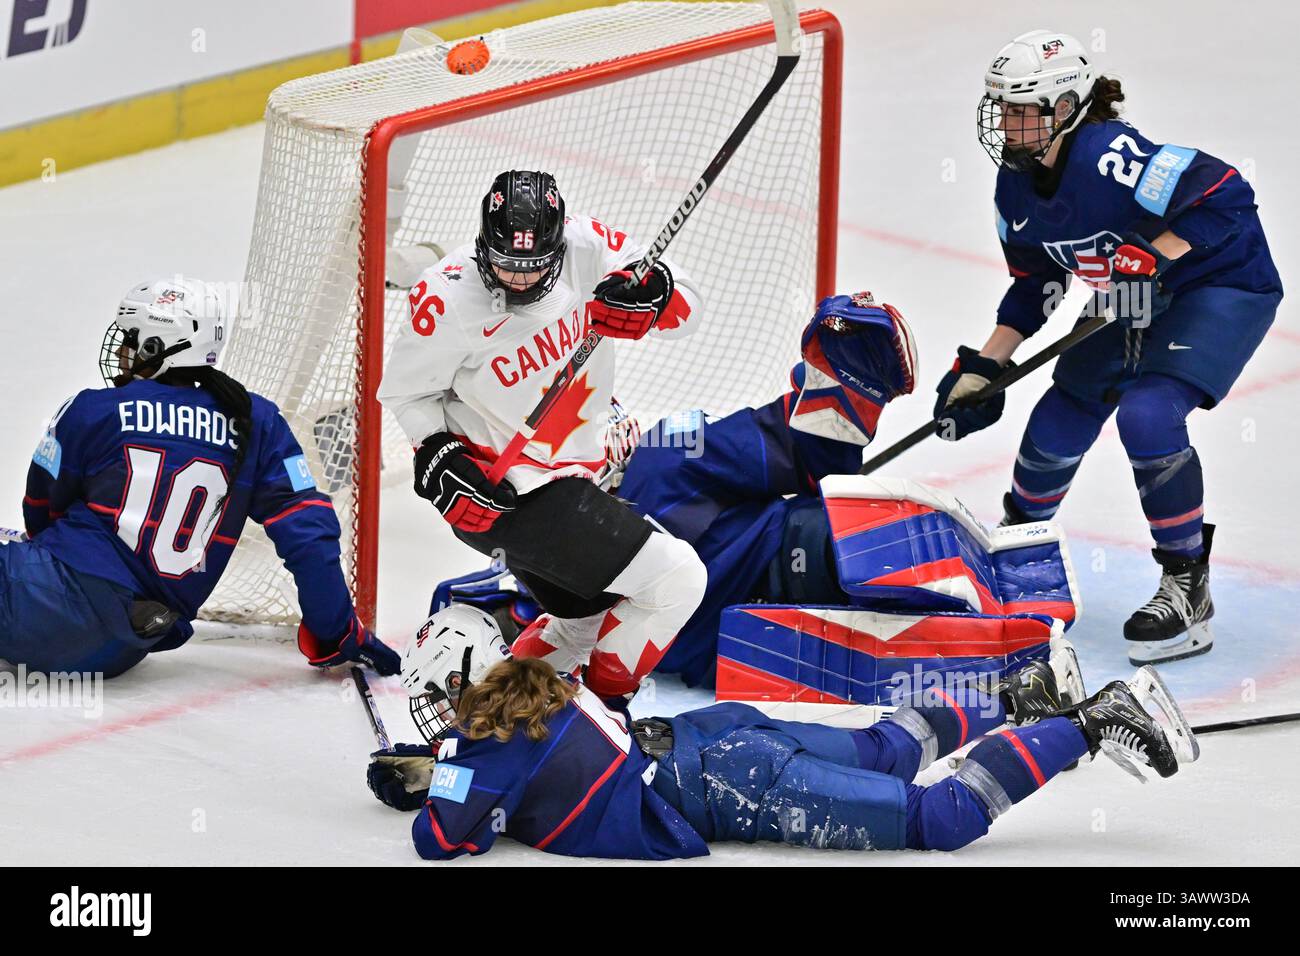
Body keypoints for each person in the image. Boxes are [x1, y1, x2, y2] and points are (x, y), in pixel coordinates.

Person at [935, 30, 1283, 666]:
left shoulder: (1110, 156)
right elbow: (1036, 284)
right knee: (1059, 417)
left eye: (1022, 111)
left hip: (1218, 283)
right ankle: (1020, 557)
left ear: (1067, 108)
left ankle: (1187, 584)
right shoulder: (1015, 186)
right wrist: (986, 365)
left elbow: (1228, 195)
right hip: (1134, 292)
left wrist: (1155, 253)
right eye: (1002, 109)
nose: (1006, 124)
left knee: (1148, 414)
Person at [366, 605, 1197, 860]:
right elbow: (517, 774)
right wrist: (449, 764)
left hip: (729, 784)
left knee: (936, 819)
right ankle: (1021, 694)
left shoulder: (484, 749)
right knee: (889, 746)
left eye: (438, 694)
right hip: (712, 737)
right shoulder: (541, 686)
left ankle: (1094, 721)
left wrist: (442, 773)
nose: (436, 711)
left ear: (464, 680)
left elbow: (441, 842)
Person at [377, 169, 707, 702]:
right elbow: (405, 395)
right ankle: (603, 715)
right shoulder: (447, 296)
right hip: (503, 496)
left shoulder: (588, 246)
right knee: (678, 579)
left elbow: (688, 308)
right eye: (505, 263)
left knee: (582, 624)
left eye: (534, 266)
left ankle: (489, 718)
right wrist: (439, 456)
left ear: (559, 246)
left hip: (569, 482)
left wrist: (656, 297)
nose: (518, 279)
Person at [0, 277, 399, 678]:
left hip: (40, 603)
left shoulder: (94, 410)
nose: (120, 351)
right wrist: (337, 631)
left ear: (154, 348)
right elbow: (309, 535)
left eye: (130, 339)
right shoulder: (257, 422)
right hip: (119, 651)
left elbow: (41, 512)